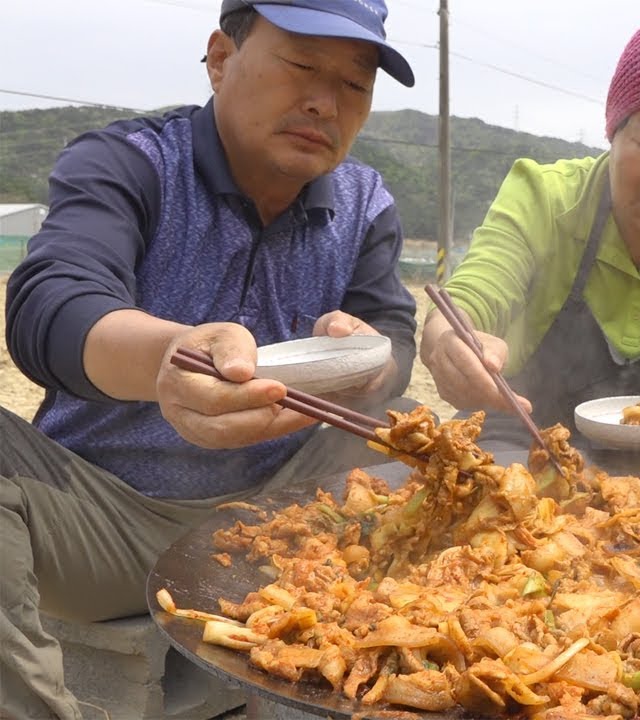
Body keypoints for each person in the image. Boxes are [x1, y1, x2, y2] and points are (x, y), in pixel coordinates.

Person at [1, 0, 418, 716]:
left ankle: (391, 667)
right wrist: (169, 358)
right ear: (221, 59)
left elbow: (396, 333)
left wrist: (370, 359)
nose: (325, 102)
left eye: (354, 84)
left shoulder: (364, 202)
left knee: (424, 436)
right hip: (110, 517)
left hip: (282, 513)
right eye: (301, 66)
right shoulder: (130, 163)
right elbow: (51, 301)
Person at [420, 11, 640, 458]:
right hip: (529, 433)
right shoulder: (545, 195)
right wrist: (449, 341)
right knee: (479, 463)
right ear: (613, 132)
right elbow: (471, 297)